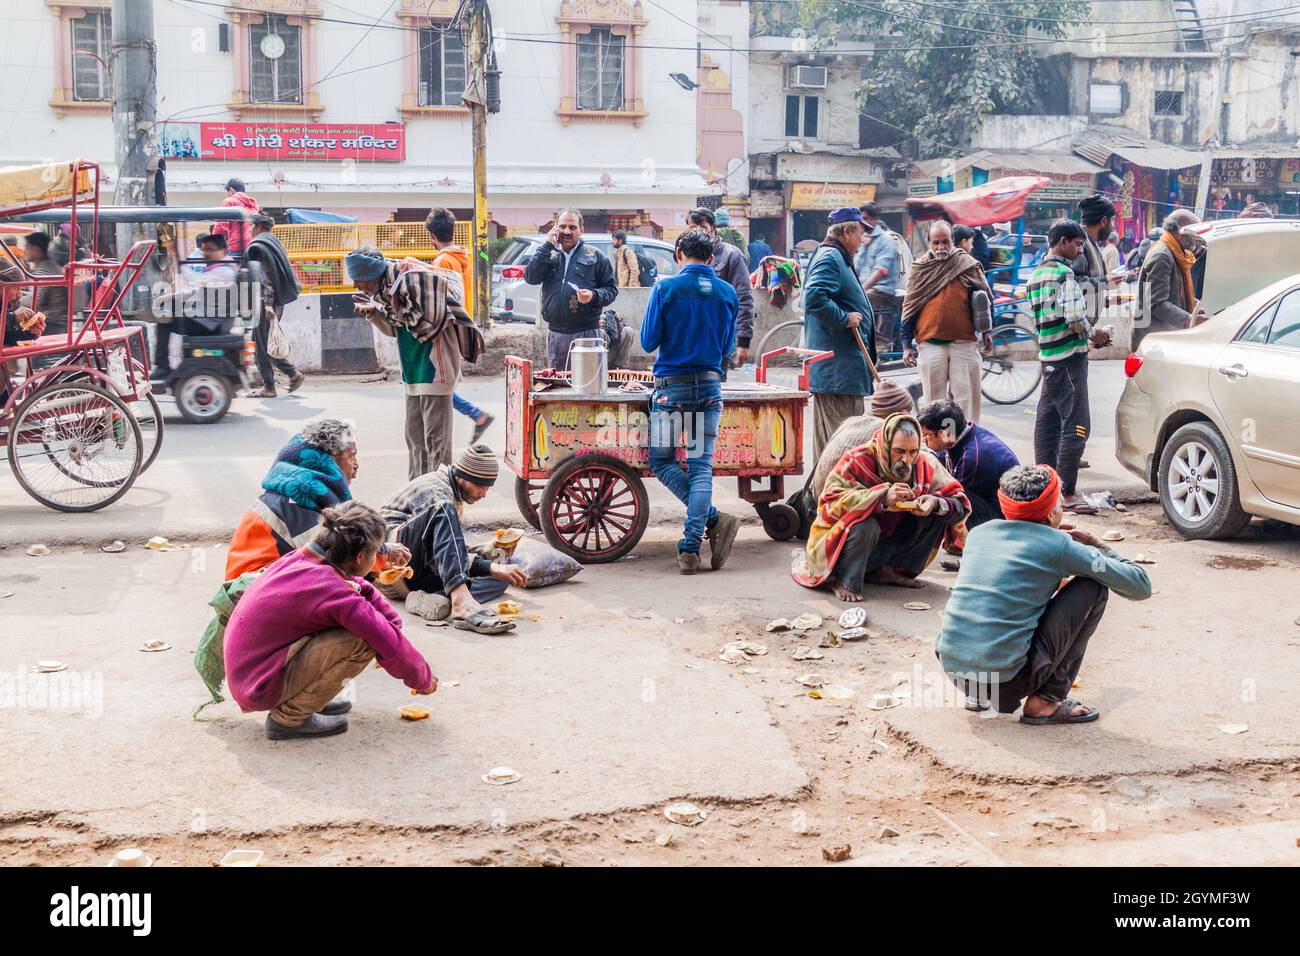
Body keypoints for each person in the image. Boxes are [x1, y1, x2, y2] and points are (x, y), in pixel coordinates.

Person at [935, 464, 1151, 722]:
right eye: (1059, 503)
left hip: (954, 671)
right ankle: (1046, 701)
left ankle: (977, 697)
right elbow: (1140, 585)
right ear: (1050, 515)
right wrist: (1097, 545)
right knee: (1093, 587)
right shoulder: (1060, 545)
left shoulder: (980, 534)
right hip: (1007, 683)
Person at [223, 501, 437, 740]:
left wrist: (391, 620)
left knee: (363, 628)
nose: (378, 558)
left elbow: (360, 587)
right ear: (359, 557)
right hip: (259, 684)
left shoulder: (305, 559)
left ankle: (308, 698)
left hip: (254, 672)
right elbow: (386, 641)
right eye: (375, 552)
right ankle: (289, 717)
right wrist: (424, 679)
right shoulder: (333, 590)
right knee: (363, 641)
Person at [640, 227, 741, 574]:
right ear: (712, 258)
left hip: (672, 392)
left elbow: (648, 341)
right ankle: (691, 545)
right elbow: (728, 348)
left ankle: (703, 529)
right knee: (700, 467)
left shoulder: (665, 288)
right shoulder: (727, 293)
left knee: (662, 461)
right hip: (710, 390)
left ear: (678, 252)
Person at [792, 413, 969, 603]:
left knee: (937, 513)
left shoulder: (924, 463)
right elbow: (829, 503)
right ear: (885, 445)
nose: (907, 459)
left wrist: (934, 503)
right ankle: (845, 580)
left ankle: (888, 570)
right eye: (899, 451)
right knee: (866, 526)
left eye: (912, 452)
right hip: (843, 550)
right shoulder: (857, 460)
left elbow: (959, 502)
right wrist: (881, 498)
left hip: (885, 546)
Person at [346, 245, 484, 480]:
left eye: (358, 280)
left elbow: (424, 327)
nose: (356, 286)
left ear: (371, 275)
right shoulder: (385, 290)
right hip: (412, 372)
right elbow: (396, 328)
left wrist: (386, 309)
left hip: (434, 370)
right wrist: (373, 313)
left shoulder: (409, 282)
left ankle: (440, 502)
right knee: (415, 440)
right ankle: (417, 494)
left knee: (437, 443)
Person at [225, 419, 410, 579]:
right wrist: (384, 554)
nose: (356, 465)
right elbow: (338, 557)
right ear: (331, 461)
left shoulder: (295, 492)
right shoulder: (296, 504)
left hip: (262, 585)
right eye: (352, 456)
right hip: (255, 595)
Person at [379, 444, 528, 631]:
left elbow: (451, 553)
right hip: (393, 563)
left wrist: (491, 559)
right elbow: (439, 556)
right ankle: (460, 602)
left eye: (487, 488)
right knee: (443, 509)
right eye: (480, 486)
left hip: (416, 576)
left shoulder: (453, 494)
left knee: (499, 579)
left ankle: (426, 598)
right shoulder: (436, 491)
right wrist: (488, 565)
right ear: (462, 477)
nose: (484, 494)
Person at [1026, 219, 1113, 515]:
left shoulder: (1035, 276)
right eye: (1077, 244)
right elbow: (1075, 319)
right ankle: (1066, 493)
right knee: (1078, 425)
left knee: (1047, 423)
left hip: (1048, 358)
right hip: (1069, 359)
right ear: (1062, 241)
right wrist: (1095, 334)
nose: (1079, 251)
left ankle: (1043, 488)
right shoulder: (1064, 275)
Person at [900, 220, 992, 425]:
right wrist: (906, 345)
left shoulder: (966, 264)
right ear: (929, 242)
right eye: (936, 243)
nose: (941, 247)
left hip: (964, 343)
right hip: (930, 345)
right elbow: (909, 307)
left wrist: (987, 332)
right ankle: (937, 453)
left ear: (953, 241)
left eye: (945, 242)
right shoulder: (920, 268)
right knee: (934, 406)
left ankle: (968, 449)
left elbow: (984, 299)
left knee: (967, 405)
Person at [804, 207, 875, 464]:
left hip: (843, 371)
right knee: (838, 447)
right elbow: (813, 298)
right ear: (847, 231)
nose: (862, 240)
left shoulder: (839, 257)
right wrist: (844, 318)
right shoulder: (831, 257)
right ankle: (828, 500)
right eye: (860, 233)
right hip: (836, 372)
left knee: (844, 445)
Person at [425, 207, 494, 442]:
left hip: (447, 326)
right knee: (446, 383)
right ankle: (477, 415)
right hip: (461, 321)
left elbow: (437, 299)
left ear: (432, 236)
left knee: (440, 384)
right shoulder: (461, 257)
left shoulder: (442, 260)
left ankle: (478, 415)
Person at [523, 208, 618, 370]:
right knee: (558, 388)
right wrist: (546, 246)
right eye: (562, 226)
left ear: (581, 230)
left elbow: (611, 289)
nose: (566, 231)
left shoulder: (595, 256)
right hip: (556, 335)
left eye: (572, 227)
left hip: (587, 334)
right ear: (555, 228)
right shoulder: (548, 255)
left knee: (587, 388)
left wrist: (594, 295)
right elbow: (531, 277)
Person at [916, 398, 1019, 530]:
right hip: (988, 501)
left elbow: (957, 500)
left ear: (943, 433)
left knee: (945, 501)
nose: (924, 441)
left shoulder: (971, 458)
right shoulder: (960, 436)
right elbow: (939, 458)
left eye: (926, 435)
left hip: (1003, 518)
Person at [150, 232, 240, 380]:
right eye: (204, 250)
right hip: (206, 316)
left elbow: (196, 280)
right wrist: (167, 297)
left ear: (223, 251)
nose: (206, 254)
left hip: (210, 324)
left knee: (164, 321)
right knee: (168, 308)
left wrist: (176, 255)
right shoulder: (218, 267)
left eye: (210, 250)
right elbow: (196, 291)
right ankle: (166, 365)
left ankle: (163, 366)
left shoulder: (224, 271)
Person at [244, 214, 305, 398]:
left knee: (262, 344)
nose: (248, 229)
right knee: (263, 342)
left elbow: (265, 277)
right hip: (274, 302)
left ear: (259, 226)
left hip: (265, 302)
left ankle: (271, 385)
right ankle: (290, 373)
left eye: (250, 226)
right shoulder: (273, 242)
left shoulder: (259, 246)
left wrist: (267, 304)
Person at [686, 207, 755, 367]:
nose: (697, 232)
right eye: (692, 228)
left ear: (713, 227)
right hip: (688, 338)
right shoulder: (686, 254)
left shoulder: (731, 255)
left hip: (719, 338)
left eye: (702, 227)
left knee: (715, 387)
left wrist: (743, 341)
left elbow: (744, 298)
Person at [1134, 209, 1200, 350]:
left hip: (1166, 338)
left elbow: (1176, 295)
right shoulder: (1162, 256)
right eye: (1192, 233)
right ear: (1180, 230)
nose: (1195, 239)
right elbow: (1156, 303)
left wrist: (1196, 308)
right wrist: (1190, 319)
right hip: (1155, 341)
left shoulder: (1176, 253)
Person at [855, 201, 902, 357]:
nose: (862, 221)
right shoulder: (864, 240)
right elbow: (856, 266)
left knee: (858, 303)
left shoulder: (886, 240)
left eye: (866, 218)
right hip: (866, 287)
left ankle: (880, 343)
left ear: (874, 219)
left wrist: (861, 289)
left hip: (882, 289)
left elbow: (881, 270)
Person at [18, 231, 68, 338]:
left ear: (35, 249)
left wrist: (11, 301)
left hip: (51, 324)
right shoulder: (49, 265)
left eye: (26, 247)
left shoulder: (44, 269)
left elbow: (34, 301)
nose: (24, 251)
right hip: (57, 322)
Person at [212, 178, 260, 258]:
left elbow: (221, 226)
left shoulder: (229, 201)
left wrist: (212, 243)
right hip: (254, 245)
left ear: (231, 190)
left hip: (237, 248)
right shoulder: (254, 204)